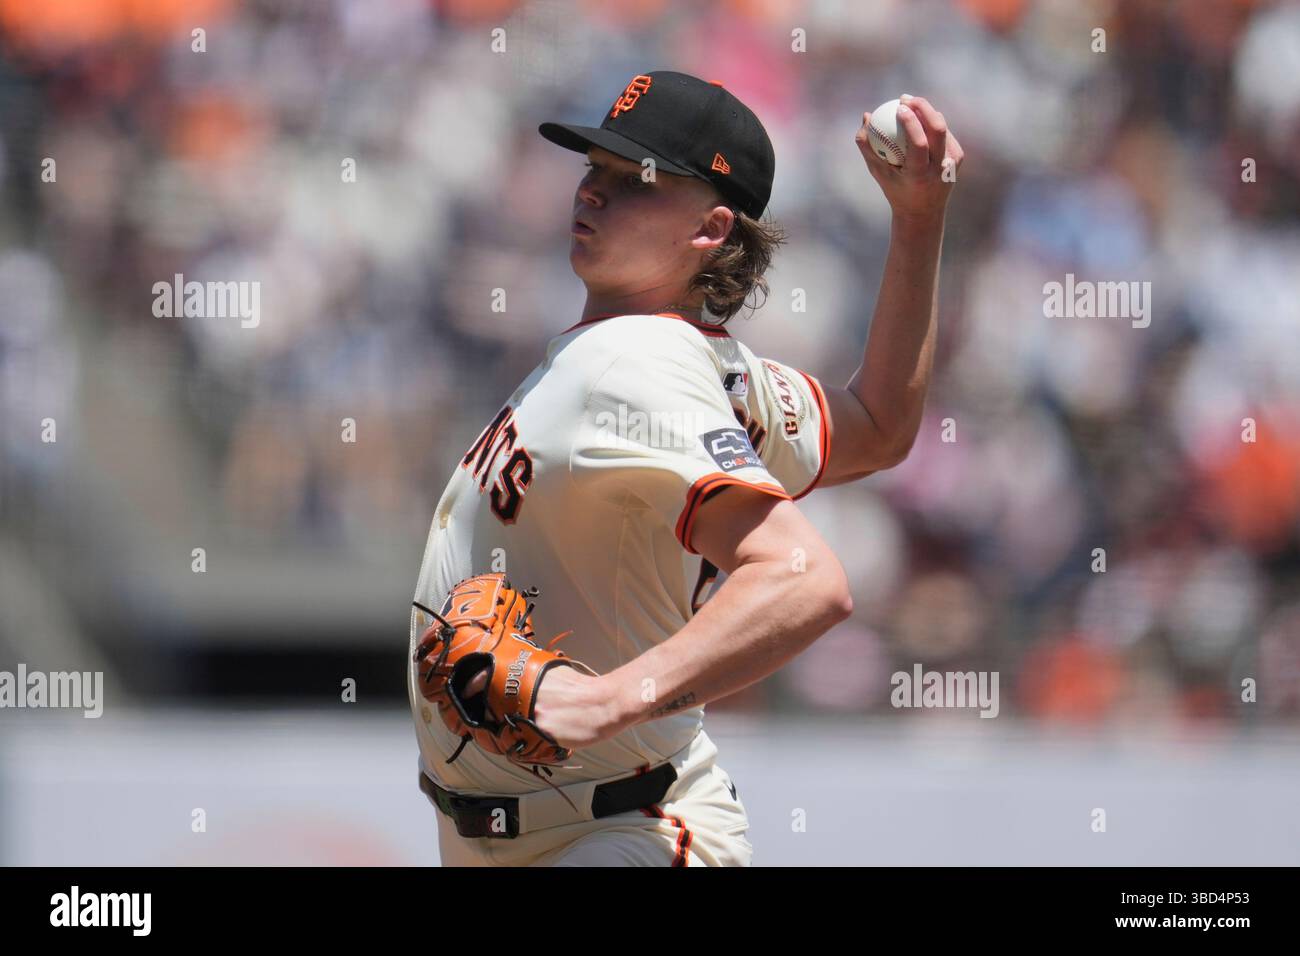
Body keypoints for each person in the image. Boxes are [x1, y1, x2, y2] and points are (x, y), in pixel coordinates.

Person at [408, 70, 962, 866]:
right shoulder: (703, 367)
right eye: (592, 168)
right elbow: (877, 426)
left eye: (632, 180)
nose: (591, 192)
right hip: (546, 829)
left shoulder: (637, 361)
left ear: (710, 228)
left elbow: (805, 578)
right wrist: (919, 221)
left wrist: (605, 702)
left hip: (616, 832)